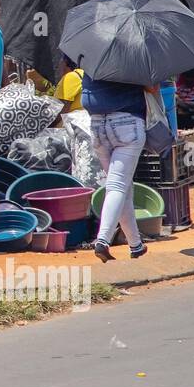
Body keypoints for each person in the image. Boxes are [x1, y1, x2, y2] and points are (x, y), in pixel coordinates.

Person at [82, 73, 153, 262]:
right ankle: (103, 240)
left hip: (97, 124)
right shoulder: (133, 55)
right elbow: (152, 88)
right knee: (118, 186)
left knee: (122, 186)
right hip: (127, 123)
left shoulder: (91, 52)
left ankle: (135, 244)